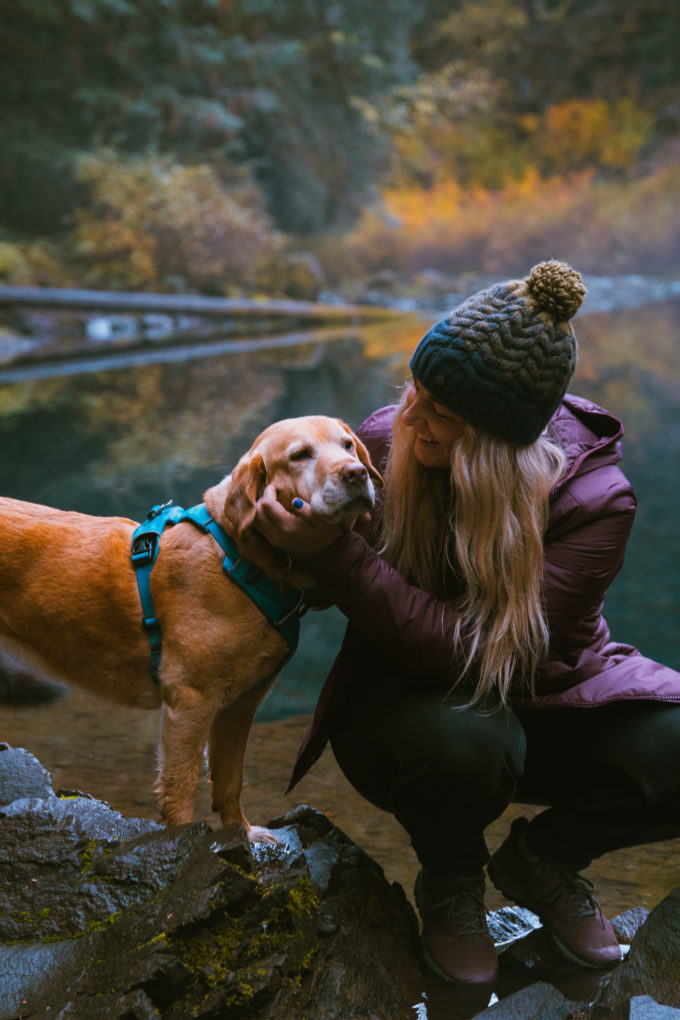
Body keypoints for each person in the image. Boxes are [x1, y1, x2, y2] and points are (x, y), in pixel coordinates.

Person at [255, 260, 680, 987]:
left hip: (543, 693)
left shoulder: (599, 501)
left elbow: (488, 658)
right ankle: (453, 885)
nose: (412, 421)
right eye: (417, 394)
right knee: (471, 738)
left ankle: (544, 861)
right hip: (411, 715)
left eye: (443, 419)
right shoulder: (384, 442)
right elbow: (315, 589)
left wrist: (341, 561)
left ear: (500, 447)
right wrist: (287, 539)